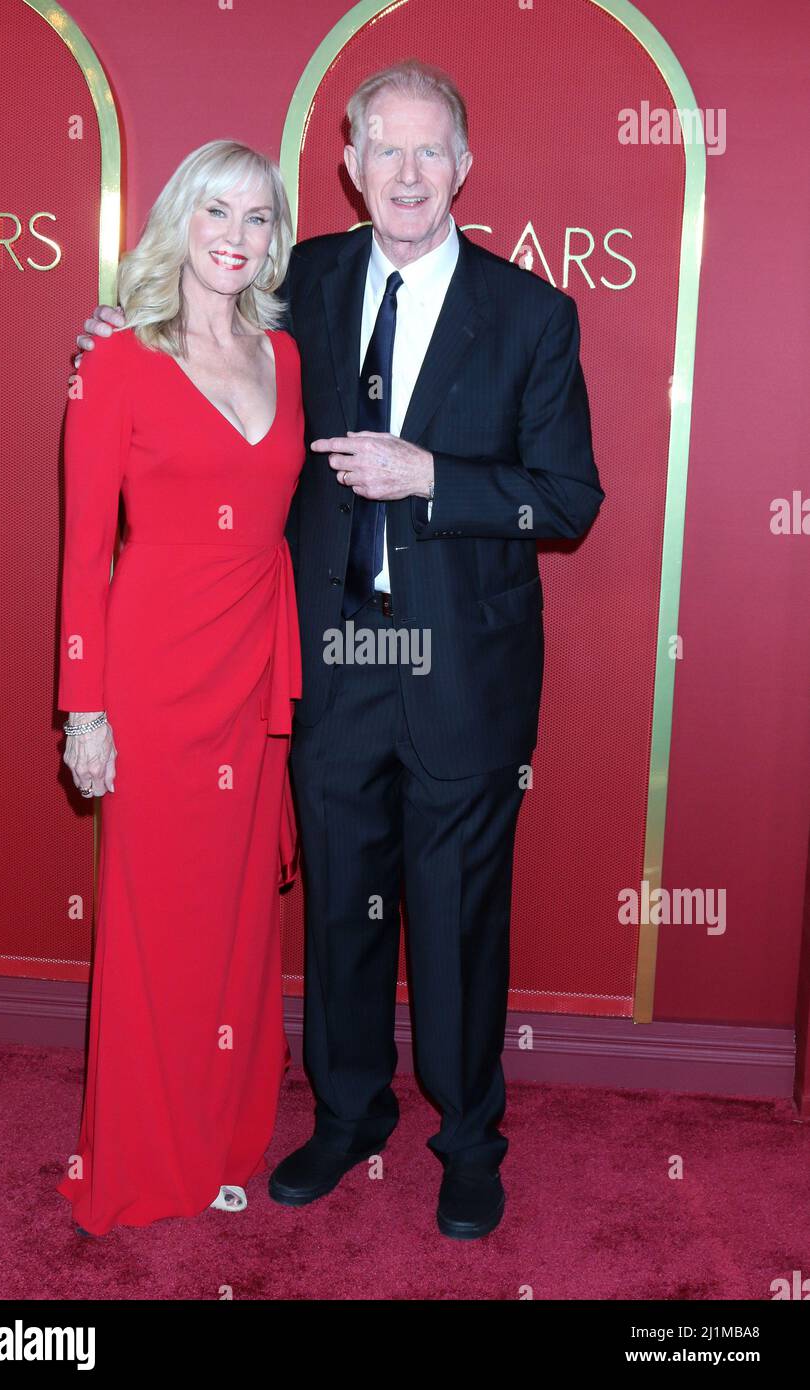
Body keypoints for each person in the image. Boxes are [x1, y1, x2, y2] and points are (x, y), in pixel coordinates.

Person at [77, 59, 604, 1241]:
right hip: (322, 664)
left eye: (431, 152)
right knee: (342, 910)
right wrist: (112, 326)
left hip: (463, 673)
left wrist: (437, 480)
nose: (407, 174)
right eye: (384, 150)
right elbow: (186, 337)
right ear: (350, 169)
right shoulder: (298, 279)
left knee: (458, 916)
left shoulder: (529, 314)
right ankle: (348, 1111)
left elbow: (567, 500)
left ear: (462, 168)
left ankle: (468, 1138)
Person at [58, 139, 304, 1235]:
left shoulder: (284, 355)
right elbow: (80, 553)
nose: (236, 237)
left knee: (240, 924)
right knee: (159, 924)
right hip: (153, 678)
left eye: (258, 218)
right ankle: (145, 1154)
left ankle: (221, 1136)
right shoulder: (116, 358)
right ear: (179, 221)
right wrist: (84, 708)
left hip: (255, 676)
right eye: (217, 212)